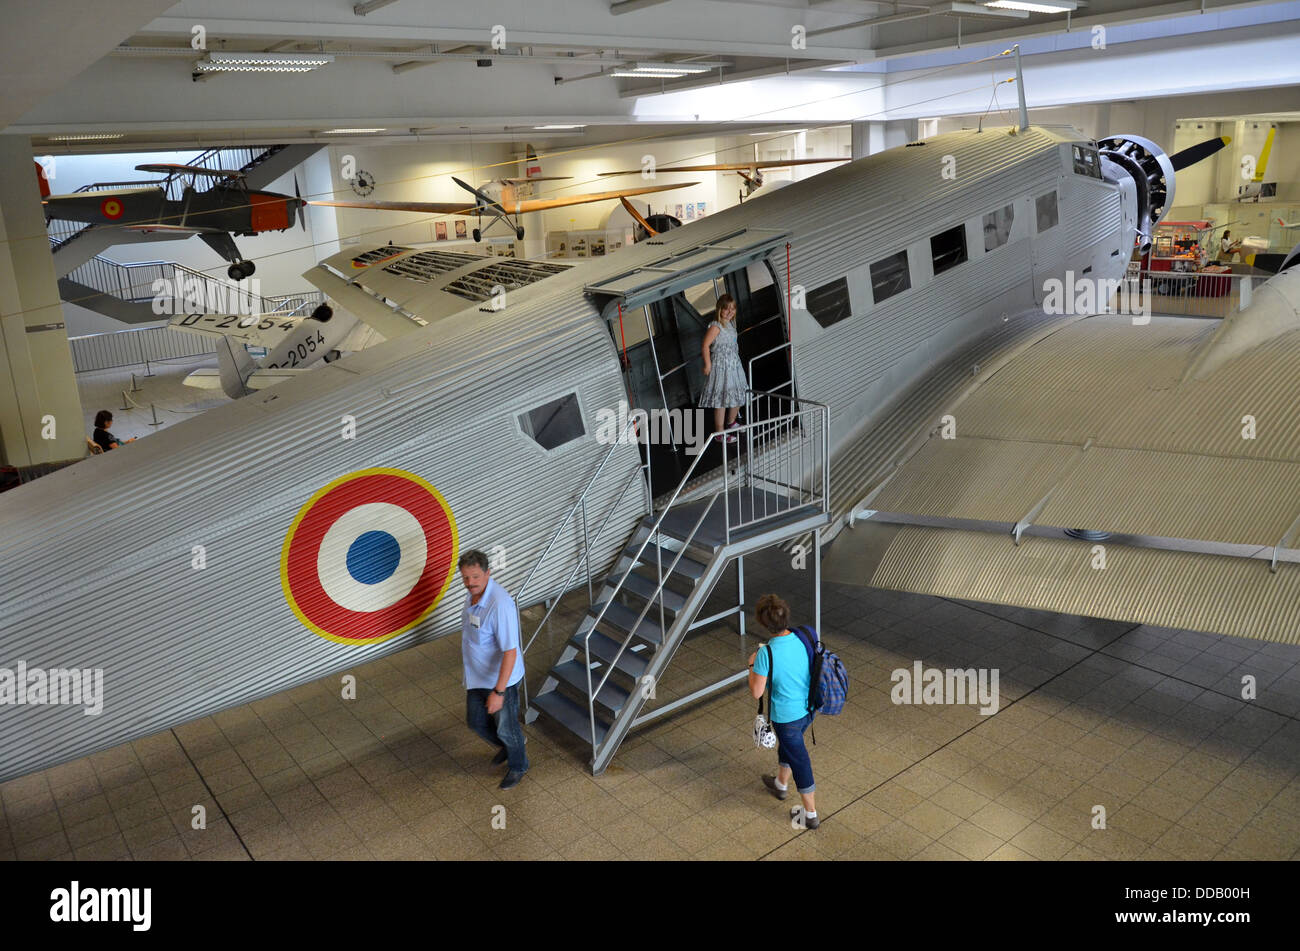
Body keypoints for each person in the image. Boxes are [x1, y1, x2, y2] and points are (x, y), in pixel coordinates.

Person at [458, 549, 529, 789]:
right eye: (466, 578)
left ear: (488, 573)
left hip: (500, 681)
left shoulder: (499, 605)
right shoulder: (473, 596)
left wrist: (499, 693)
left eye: (476, 577)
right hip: (477, 677)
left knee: (507, 728)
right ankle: (510, 745)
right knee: (476, 722)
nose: (470, 583)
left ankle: (519, 764)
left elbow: (510, 651)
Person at [748, 593, 818, 829]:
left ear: (763, 623)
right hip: (809, 708)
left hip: (786, 718)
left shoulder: (765, 654)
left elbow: (757, 692)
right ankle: (780, 784)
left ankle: (810, 815)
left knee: (800, 760)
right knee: (790, 746)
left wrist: (751, 665)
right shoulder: (803, 636)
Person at [699, 293, 747, 444]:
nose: (730, 312)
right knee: (721, 399)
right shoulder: (716, 326)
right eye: (726, 309)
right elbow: (705, 345)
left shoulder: (732, 324)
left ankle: (731, 421)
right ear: (720, 309)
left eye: (732, 309)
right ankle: (719, 431)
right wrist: (707, 364)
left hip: (734, 365)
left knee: (739, 392)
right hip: (721, 367)